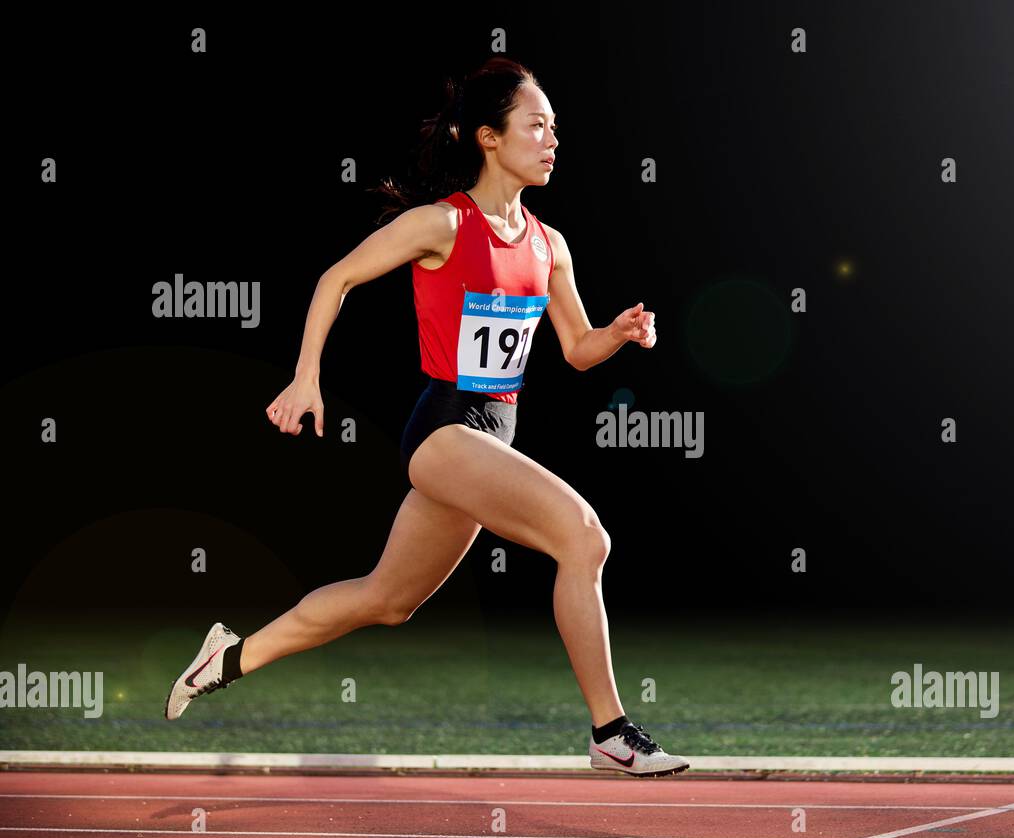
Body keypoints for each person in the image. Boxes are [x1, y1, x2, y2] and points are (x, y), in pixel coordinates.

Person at [164, 56, 689, 777]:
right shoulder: (442, 223)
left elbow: (574, 349)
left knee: (386, 600)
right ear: (488, 138)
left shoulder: (548, 244)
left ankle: (229, 655)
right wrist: (306, 378)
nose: (552, 138)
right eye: (536, 125)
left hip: (493, 435)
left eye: (555, 127)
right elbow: (336, 277)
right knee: (585, 538)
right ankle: (612, 731)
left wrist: (620, 333)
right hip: (445, 429)